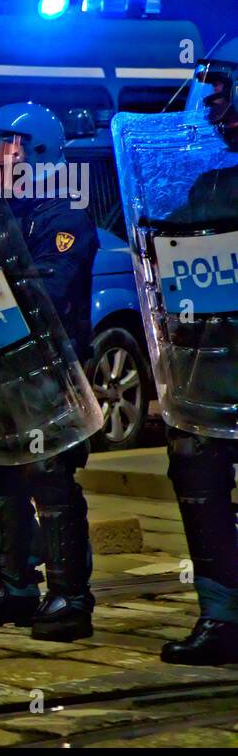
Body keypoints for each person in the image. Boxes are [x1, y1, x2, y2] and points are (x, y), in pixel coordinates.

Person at [0, 103, 99, 642]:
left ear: (33, 152)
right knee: (0, 471)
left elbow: (47, 295)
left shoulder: (63, 218)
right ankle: (13, 584)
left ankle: (70, 595)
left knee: (51, 479)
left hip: (45, 374)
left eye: (5, 146)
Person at [153, 61, 238, 664]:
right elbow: (166, 259)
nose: (211, 109)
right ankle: (222, 614)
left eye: (223, 96)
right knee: (195, 473)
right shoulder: (210, 186)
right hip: (215, 364)